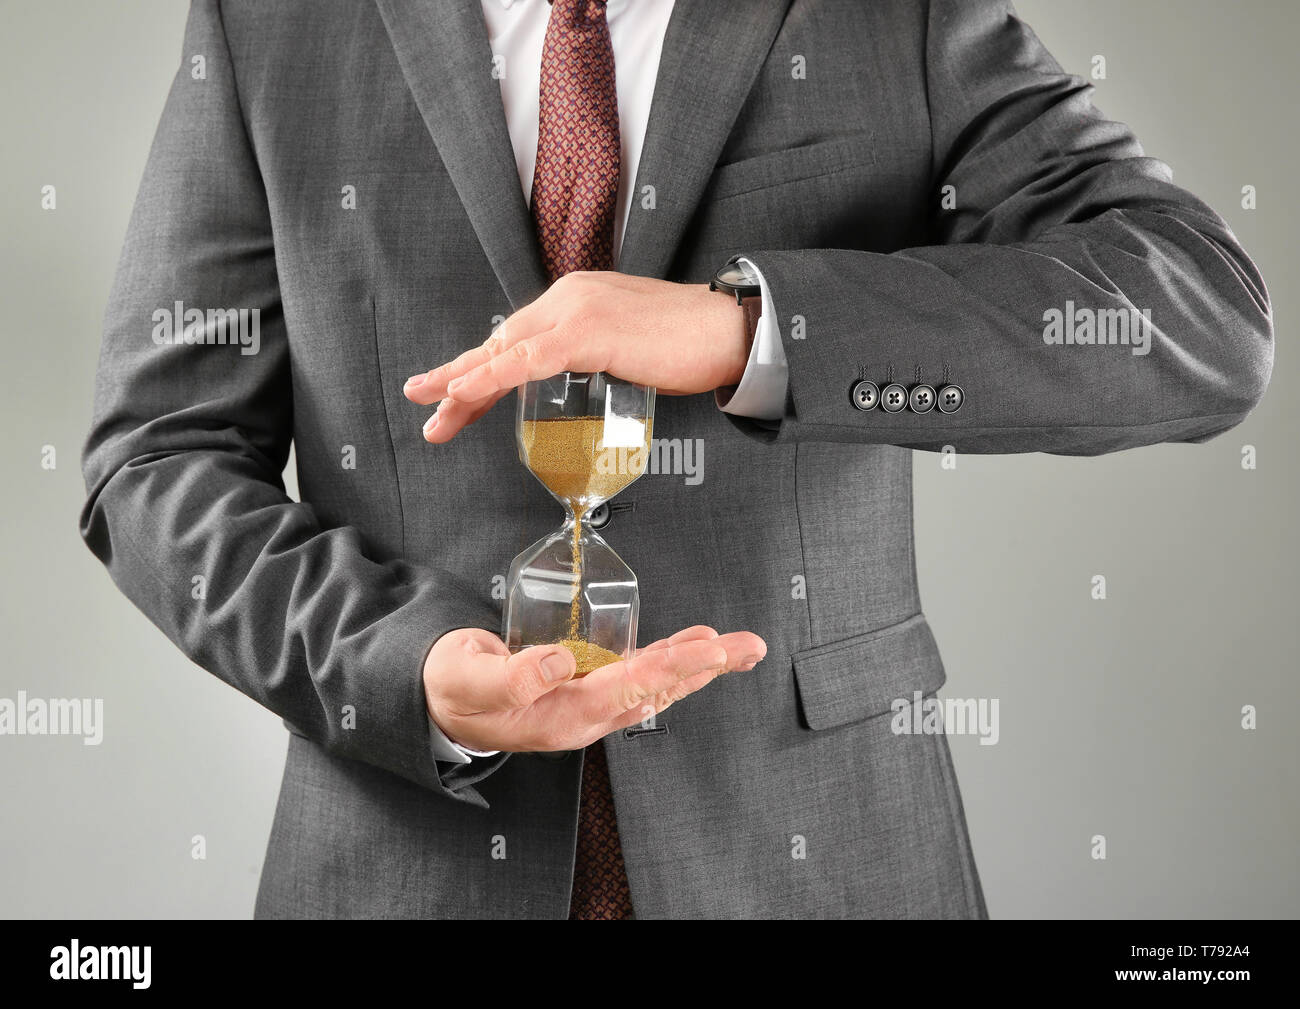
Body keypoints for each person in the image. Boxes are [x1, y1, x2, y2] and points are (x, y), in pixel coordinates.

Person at [81, 0, 1272, 919]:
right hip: (402, 861)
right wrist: (406, 668)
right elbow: (157, 460)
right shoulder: (270, 25)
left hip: (822, 859)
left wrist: (748, 330)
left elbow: (1197, 315)